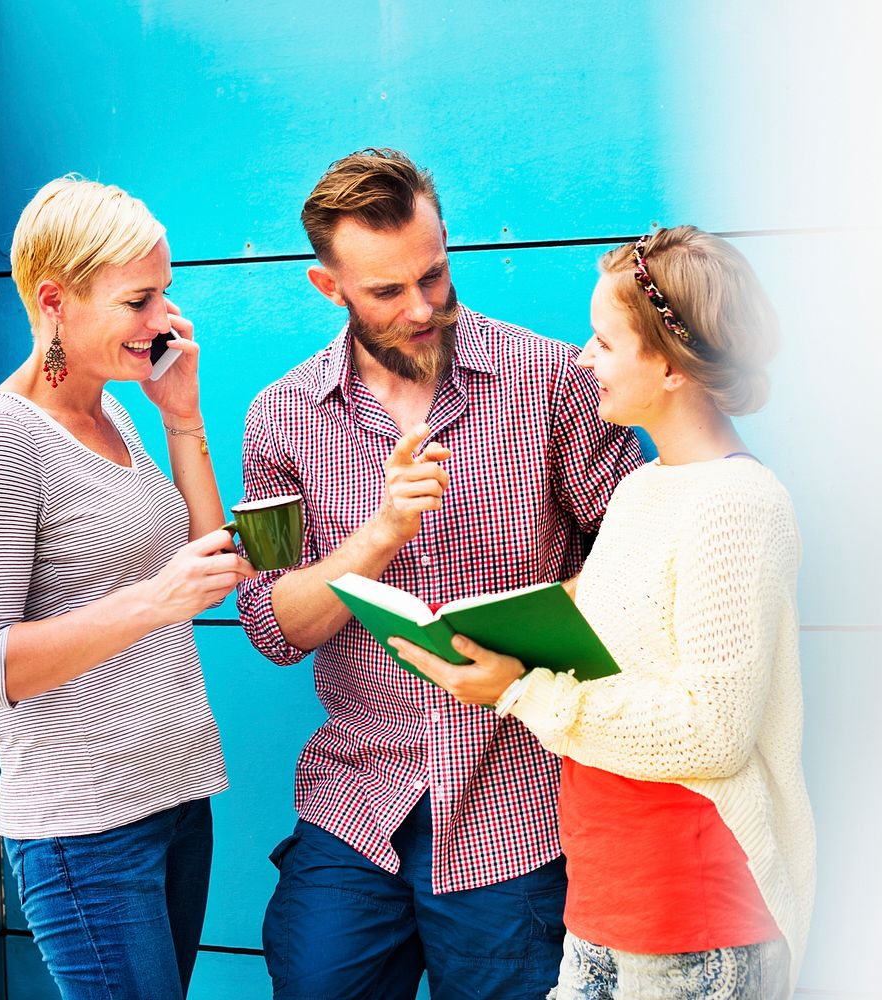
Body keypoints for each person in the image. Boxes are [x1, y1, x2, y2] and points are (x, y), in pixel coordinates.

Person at [235, 148, 643, 999]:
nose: (422, 307)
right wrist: (379, 534)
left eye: (434, 273)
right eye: (387, 291)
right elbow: (274, 625)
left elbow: (643, 558)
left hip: (519, 804)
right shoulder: (279, 418)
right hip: (358, 803)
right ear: (329, 288)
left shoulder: (551, 380)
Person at [391, 226, 816, 999]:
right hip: (605, 904)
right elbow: (606, 619)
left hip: (694, 923)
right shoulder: (641, 488)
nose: (582, 357)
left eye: (605, 341)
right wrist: (471, 624)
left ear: (671, 363)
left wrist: (518, 692)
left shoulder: (739, 504)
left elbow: (713, 731)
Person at [0, 176, 255, 1000]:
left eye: (166, 295)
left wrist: (181, 414)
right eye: (138, 299)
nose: (163, 321)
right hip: (85, 831)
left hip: (176, 799)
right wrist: (153, 601)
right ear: (55, 301)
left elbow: (206, 566)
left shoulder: (116, 417)